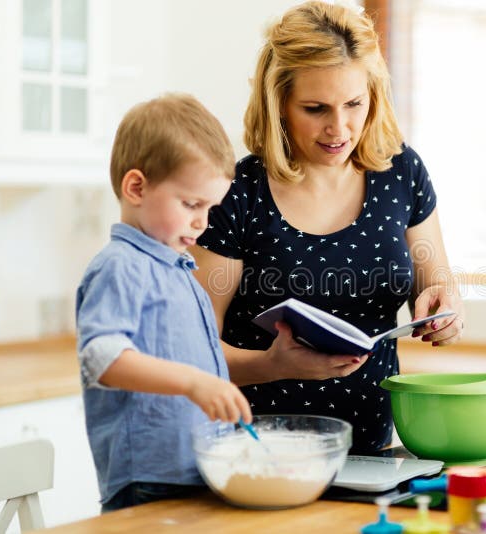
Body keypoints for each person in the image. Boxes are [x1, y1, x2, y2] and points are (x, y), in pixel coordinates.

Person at [192, 1, 464, 453]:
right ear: (277, 102)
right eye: (315, 108)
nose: (339, 128)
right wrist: (273, 365)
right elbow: (193, 354)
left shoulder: (401, 172)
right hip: (256, 453)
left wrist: (443, 309)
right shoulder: (238, 191)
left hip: (372, 451)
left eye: (354, 104)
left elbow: (435, 284)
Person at [75, 93, 252, 511]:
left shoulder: (177, 268)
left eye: (210, 207)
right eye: (191, 204)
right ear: (136, 187)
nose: (202, 222)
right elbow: (101, 357)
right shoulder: (122, 265)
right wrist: (194, 382)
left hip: (193, 470)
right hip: (149, 478)